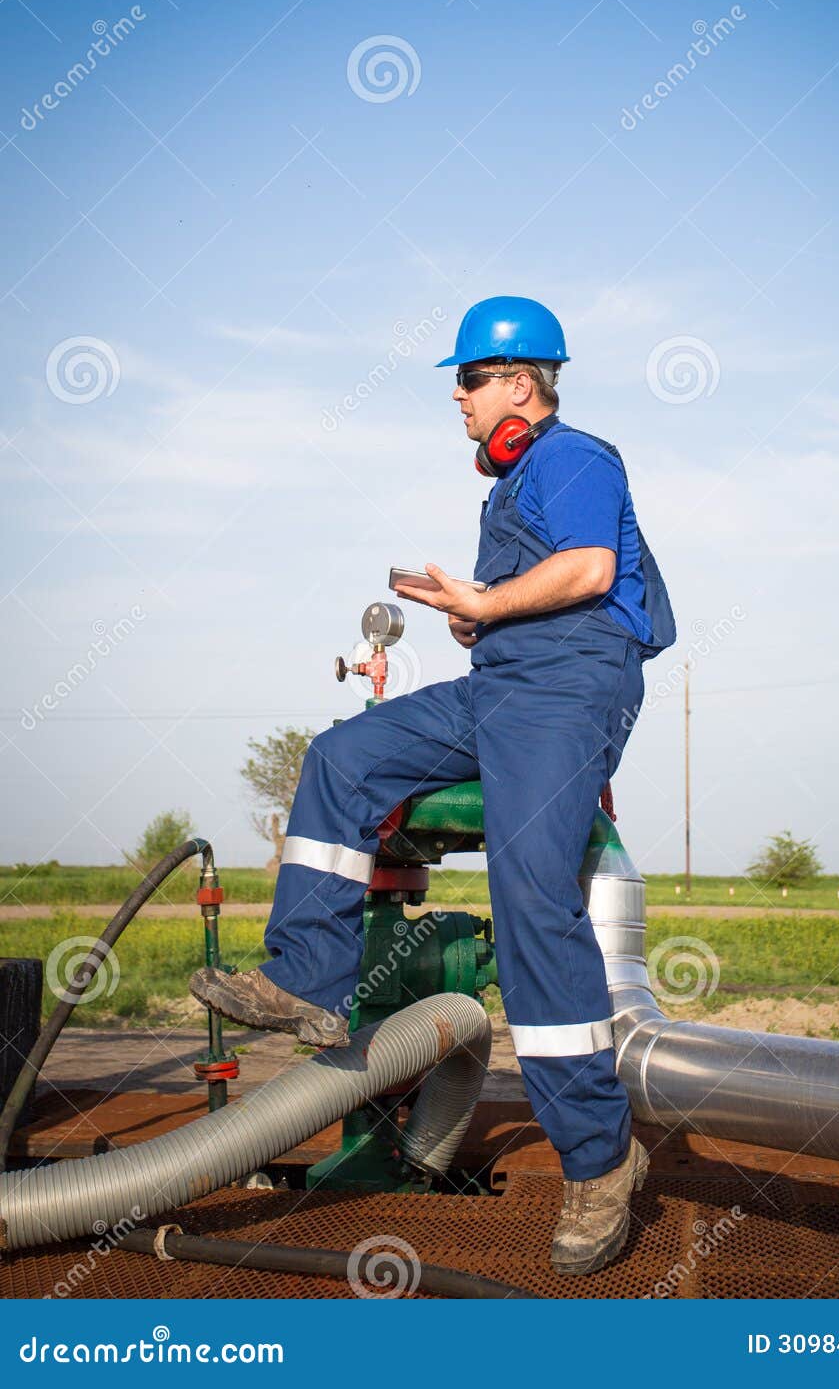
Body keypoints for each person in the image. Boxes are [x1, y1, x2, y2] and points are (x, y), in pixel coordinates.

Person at [191, 296, 676, 1276]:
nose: (453, 398)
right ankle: (310, 978)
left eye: (465, 378)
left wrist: (489, 602)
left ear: (518, 382)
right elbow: (532, 590)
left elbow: (586, 568)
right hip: (500, 685)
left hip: (568, 690)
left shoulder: (575, 455)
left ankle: (596, 1155)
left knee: (532, 895)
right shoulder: (508, 487)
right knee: (340, 756)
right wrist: (478, 622)